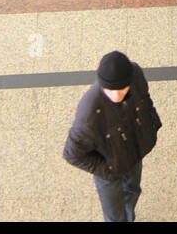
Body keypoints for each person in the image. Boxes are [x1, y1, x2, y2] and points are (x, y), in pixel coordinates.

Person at [63, 51, 162, 221]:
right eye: (110, 90)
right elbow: (72, 154)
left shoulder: (135, 74)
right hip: (109, 171)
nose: (116, 96)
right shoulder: (88, 115)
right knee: (115, 216)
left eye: (122, 89)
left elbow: (145, 98)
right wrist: (108, 169)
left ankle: (129, 217)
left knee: (133, 190)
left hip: (133, 152)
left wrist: (152, 124)